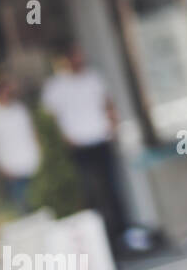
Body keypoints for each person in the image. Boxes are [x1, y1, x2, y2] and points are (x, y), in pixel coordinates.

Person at [41, 46, 133, 257]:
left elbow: (107, 102)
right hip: (79, 145)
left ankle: (121, 236)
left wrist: (113, 124)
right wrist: (65, 137)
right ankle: (99, 242)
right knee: (90, 192)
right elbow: (51, 118)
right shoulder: (56, 86)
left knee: (112, 188)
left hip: (101, 139)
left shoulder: (93, 77)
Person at [0, 78, 41, 211]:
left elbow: (32, 133)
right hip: (11, 169)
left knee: (40, 202)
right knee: (22, 206)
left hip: (31, 163)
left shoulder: (19, 110)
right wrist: (1, 166)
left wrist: (39, 154)